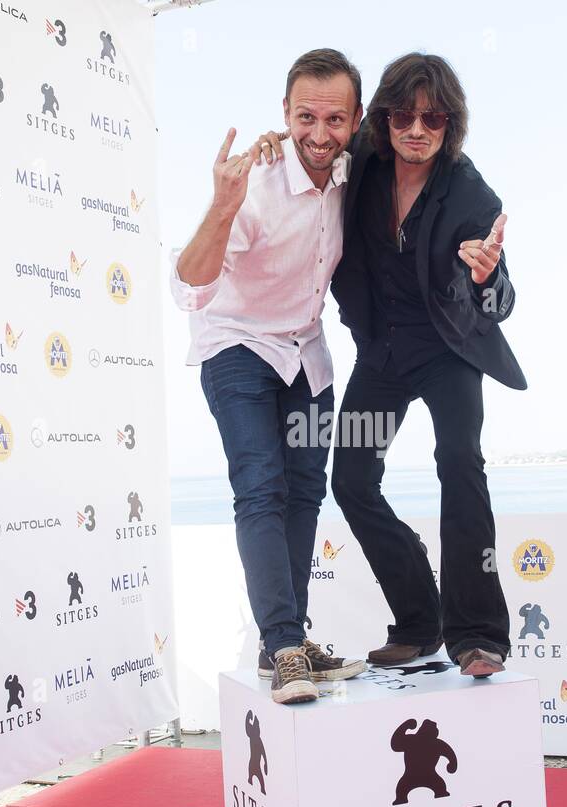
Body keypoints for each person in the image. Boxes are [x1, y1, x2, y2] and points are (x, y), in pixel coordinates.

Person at [256, 53, 525, 677]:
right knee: (350, 482)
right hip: (382, 354)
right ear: (383, 119)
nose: (416, 129)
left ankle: (478, 635)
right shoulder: (366, 162)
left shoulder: (471, 193)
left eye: (433, 118)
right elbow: (314, 138)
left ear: (449, 125)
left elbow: (502, 295)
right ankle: (419, 618)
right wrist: (274, 146)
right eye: (403, 114)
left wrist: (486, 278)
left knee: (459, 464)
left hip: (448, 352)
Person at [170, 49, 369, 704]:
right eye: (304, 117)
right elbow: (188, 281)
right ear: (284, 114)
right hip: (238, 344)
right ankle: (285, 646)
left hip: (306, 352)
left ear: (355, 120)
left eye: (334, 119)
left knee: (306, 491)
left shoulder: (353, 171)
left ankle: (279, 643)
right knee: (260, 484)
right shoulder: (253, 183)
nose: (319, 133)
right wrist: (222, 205)